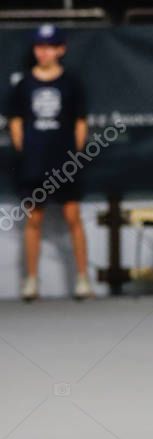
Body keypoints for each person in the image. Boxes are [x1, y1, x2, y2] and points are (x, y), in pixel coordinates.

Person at [7, 24, 93, 301]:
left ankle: (82, 280)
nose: (42, 52)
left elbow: (81, 123)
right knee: (34, 219)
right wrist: (27, 151)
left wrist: (74, 156)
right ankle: (31, 281)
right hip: (34, 163)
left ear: (61, 49)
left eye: (48, 47)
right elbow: (16, 122)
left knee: (73, 217)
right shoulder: (23, 85)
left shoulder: (72, 83)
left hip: (65, 161)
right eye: (38, 47)